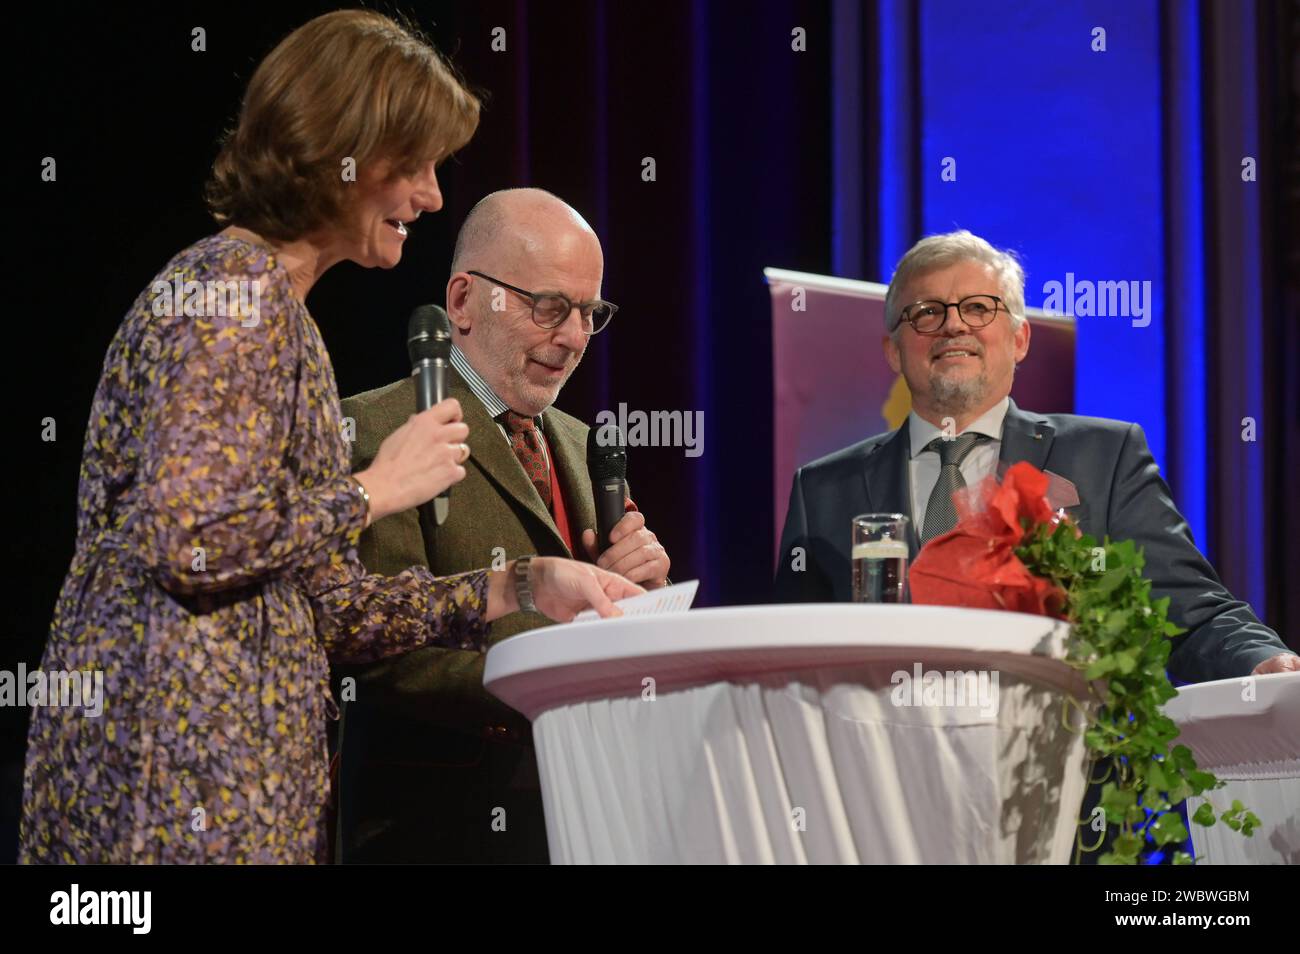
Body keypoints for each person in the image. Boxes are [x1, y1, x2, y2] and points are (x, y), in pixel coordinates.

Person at [20, 11, 639, 865]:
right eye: (415, 166)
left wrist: (524, 584)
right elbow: (186, 540)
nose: (428, 195)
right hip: (169, 787)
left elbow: (333, 607)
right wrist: (373, 490)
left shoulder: (282, 317)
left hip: (241, 788)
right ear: (348, 153)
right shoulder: (229, 300)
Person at [774, 229, 1297, 683]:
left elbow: (1188, 609)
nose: (954, 325)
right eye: (926, 312)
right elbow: (788, 657)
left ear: (1020, 338)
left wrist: (1262, 661)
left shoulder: (1104, 457)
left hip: (1055, 776)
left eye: (978, 308)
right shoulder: (822, 489)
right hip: (883, 781)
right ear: (893, 350)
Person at [337, 188, 673, 863]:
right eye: (549, 307)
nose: (575, 338)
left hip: (587, 815)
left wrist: (638, 597)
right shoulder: (372, 430)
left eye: (589, 313)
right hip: (436, 833)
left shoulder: (583, 444)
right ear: (463, 301)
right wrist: (547, 671)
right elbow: (370, 652)